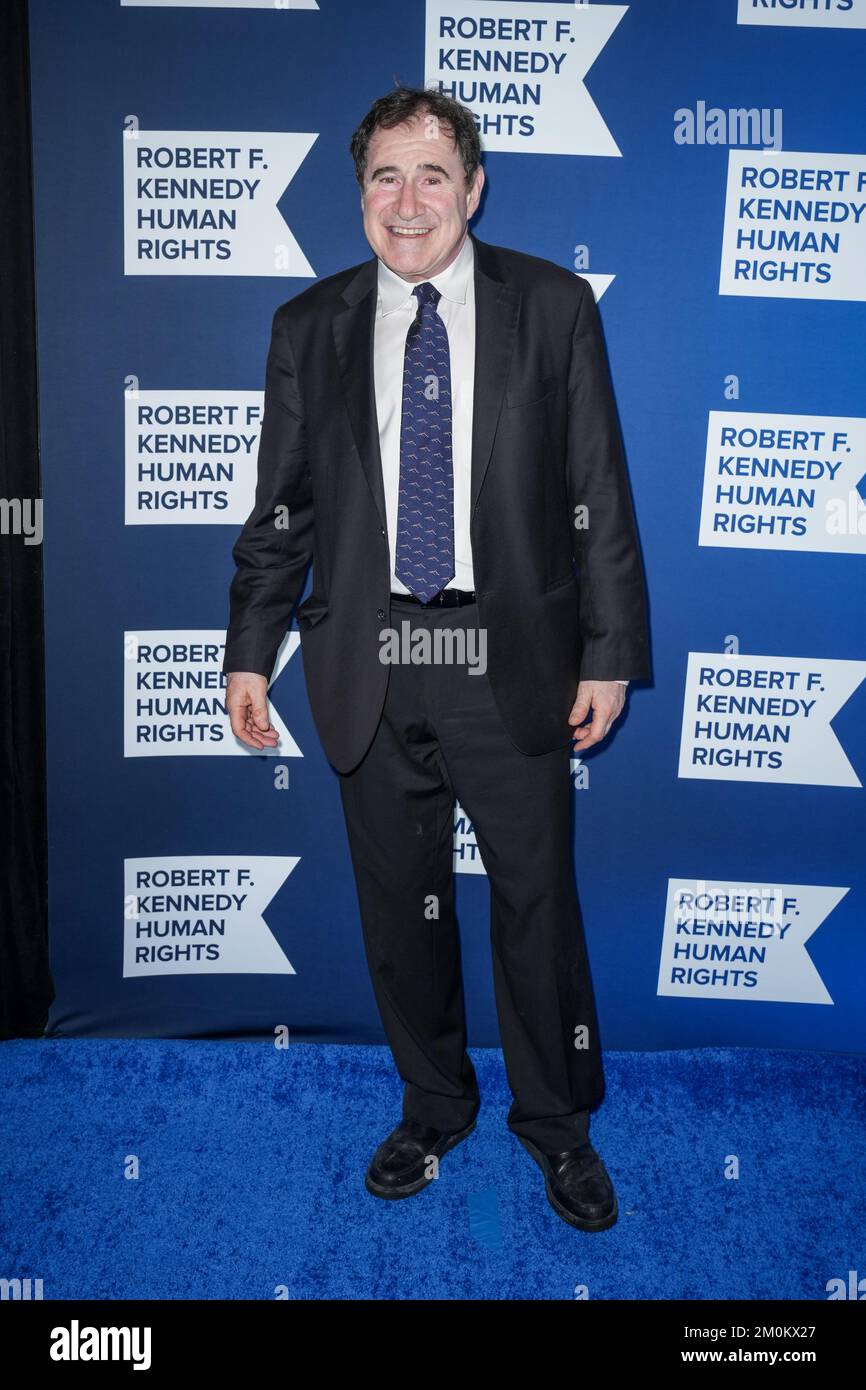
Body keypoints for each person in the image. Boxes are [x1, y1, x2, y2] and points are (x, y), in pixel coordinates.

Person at [222, 86, 650, 1233]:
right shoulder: (307, 325)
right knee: (398, 909)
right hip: (369, 658)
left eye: (429, 175)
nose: (405, 201)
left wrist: (606, 652)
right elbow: (281, 512)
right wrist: (248, 651)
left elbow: (594, 489)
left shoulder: (550, 308)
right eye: (381, 177)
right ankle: (433, 1104)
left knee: (535, 907)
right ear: (358, 192)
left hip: (505, 653)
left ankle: (557, 1127)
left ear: (471, 187)